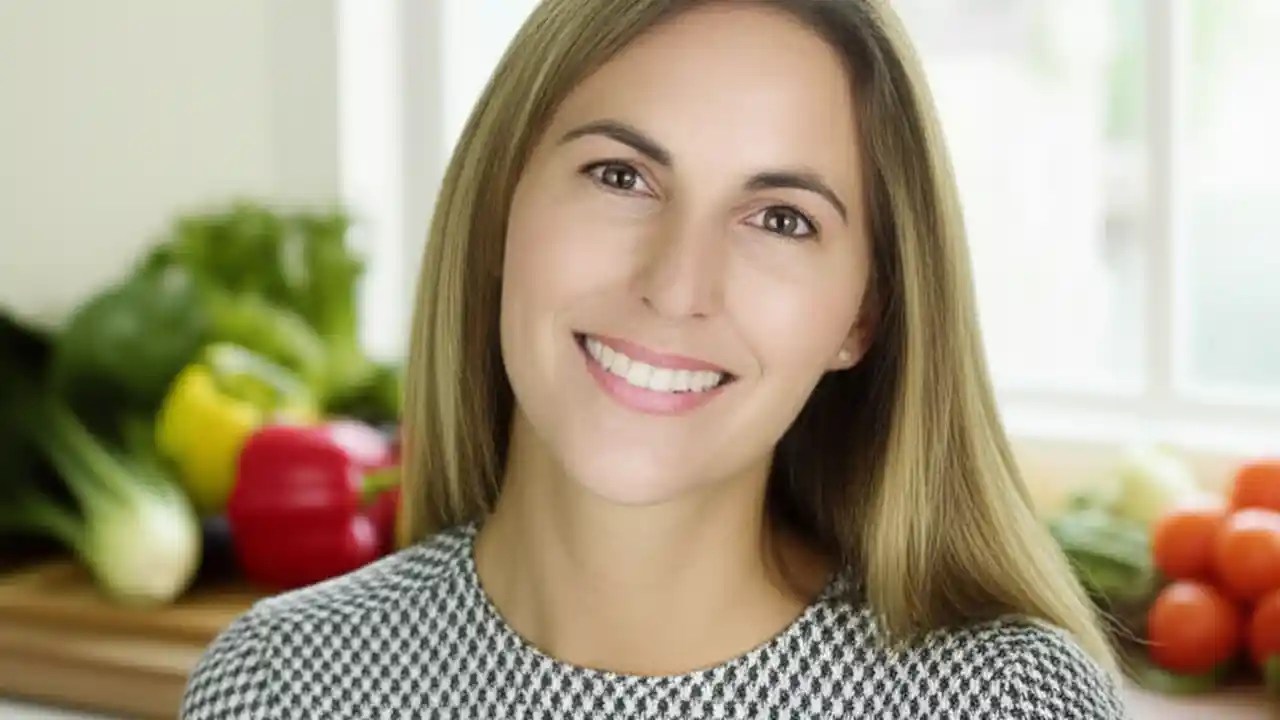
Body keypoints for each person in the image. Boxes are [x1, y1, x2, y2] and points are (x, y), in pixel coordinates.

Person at [180, 1, 1131, 717]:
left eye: (781, 219)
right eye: (622, 175)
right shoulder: (279, 686)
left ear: (862, 316)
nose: (677, 285)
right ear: (502, 204)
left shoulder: (1001, 702)